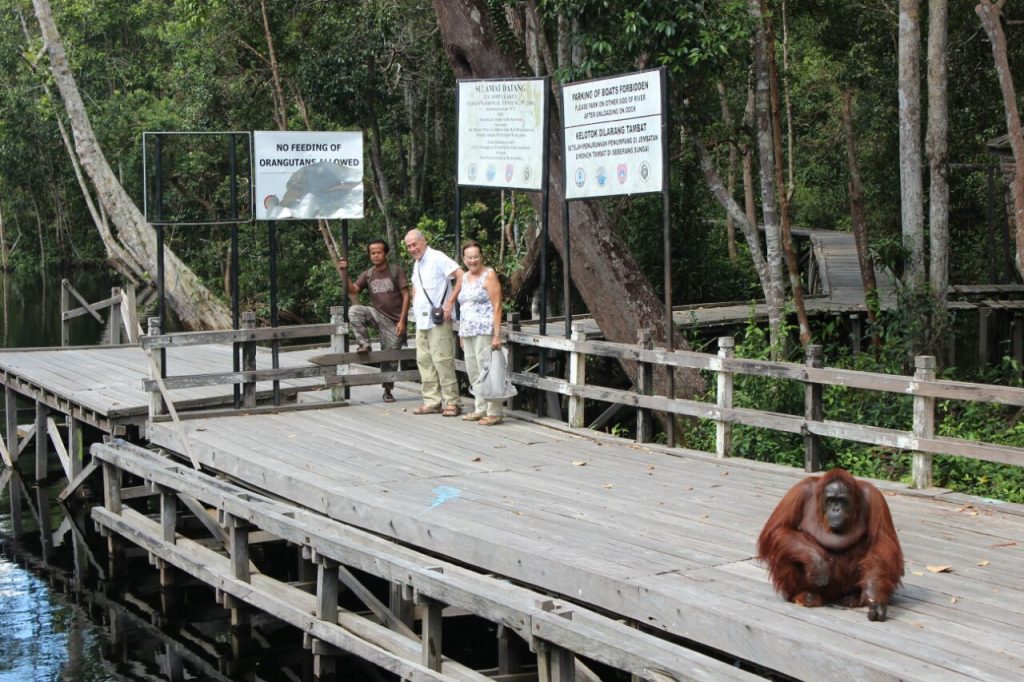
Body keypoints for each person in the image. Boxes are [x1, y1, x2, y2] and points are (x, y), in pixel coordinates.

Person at [338, 239, 410, 403]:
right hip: (377, 314)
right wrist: (344, 272)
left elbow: (406, 295)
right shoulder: (368, 274)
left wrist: (402, 321)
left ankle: (387, 390)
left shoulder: (395, 271)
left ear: (386, 253)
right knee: (354, 310)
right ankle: (364, 343)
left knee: (390, 357)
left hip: (394, 321)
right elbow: (353, 290)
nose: (376, 255)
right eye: (373, 253)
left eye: (379, 252)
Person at [404, 228, 463, 416]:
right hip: (421, 319)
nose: (412, 249)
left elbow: (460, 275)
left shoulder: (437, 257)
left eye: (414, 244)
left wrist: (450, 302)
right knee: (424, 360)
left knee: (442, 359)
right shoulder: (417, 263)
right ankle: (432, 401)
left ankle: (452, 401)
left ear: (424, 241)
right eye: (409, 246)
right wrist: (414, 305)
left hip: (438, 318)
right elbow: (415, 285)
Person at [455, 241, 505, 425]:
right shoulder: (465, 277)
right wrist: (461, 333)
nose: (473, 260)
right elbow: (463, 306)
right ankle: (480, 408)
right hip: (467, 330)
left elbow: (497, 305)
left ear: (481, 257)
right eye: (469, 257)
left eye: (476, 256)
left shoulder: (489, 275)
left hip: (484, 330)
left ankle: (494, 411)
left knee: (488, 370)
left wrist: (497, 334)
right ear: (464, 259)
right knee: (473, 371)